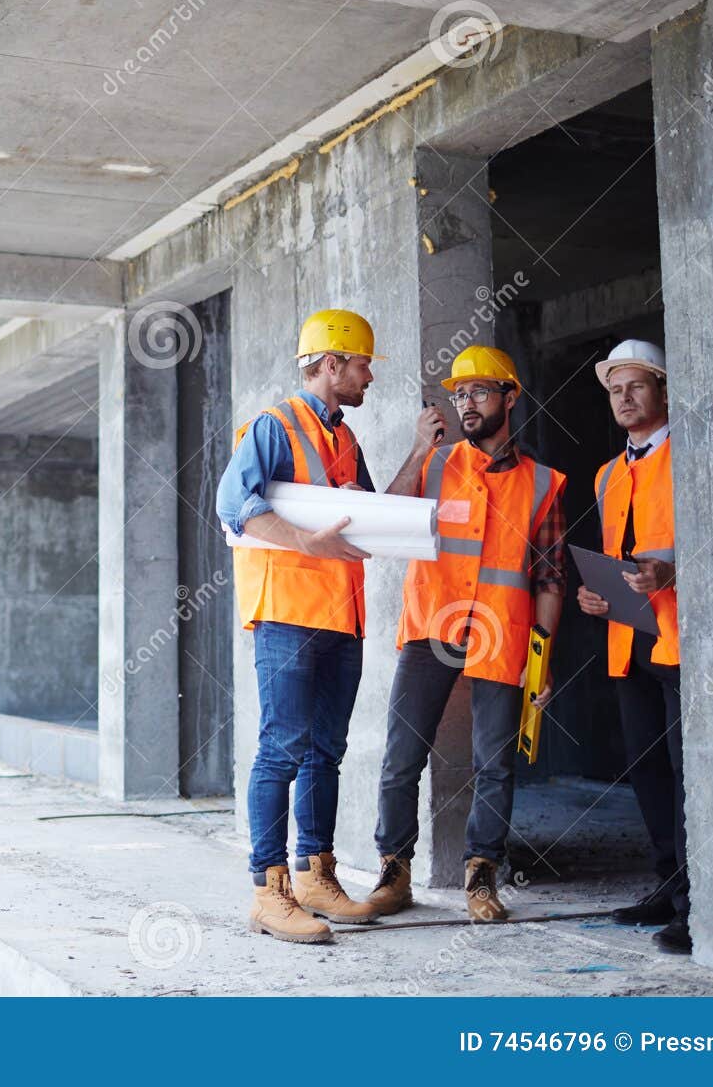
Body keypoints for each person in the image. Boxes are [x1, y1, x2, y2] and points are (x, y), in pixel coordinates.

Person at [366, 345, 566, 923]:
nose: (466, 403)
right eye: (459, 394)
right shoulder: (434, 464)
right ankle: (394, 872)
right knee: (402, 758)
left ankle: (481, 874)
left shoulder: (543, 483)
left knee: (495, 763)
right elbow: (383, 523)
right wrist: (416, 449)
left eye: (479, 390)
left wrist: (541, 659)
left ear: (510, 397)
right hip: (432, 625)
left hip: (503, 632)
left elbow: (550, 577)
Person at [215, 307, 383, 945]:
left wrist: (418, 457)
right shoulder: (275, 425)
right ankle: (269, 891)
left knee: (325, 750)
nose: (369, 376)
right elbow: (234, 505)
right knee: (282, 747)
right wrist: (307, 543)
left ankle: (316, 875)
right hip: (288, 610)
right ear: (332, 363)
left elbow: (375, 515)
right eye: (362, 364)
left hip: (341, 614)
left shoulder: (346, 439)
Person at [577, 340, 690, 954]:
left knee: (686, 770)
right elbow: (614, 555)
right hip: (628, 639)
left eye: (637, 386)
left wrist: (673, 572)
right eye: (615, 389)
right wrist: (594, 596)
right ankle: (669, 886)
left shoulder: (689, 454)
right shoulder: (607, 474)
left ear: (663, 391)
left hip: (683, 637)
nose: (624, 398)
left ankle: (697, 905)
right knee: (647, 767)